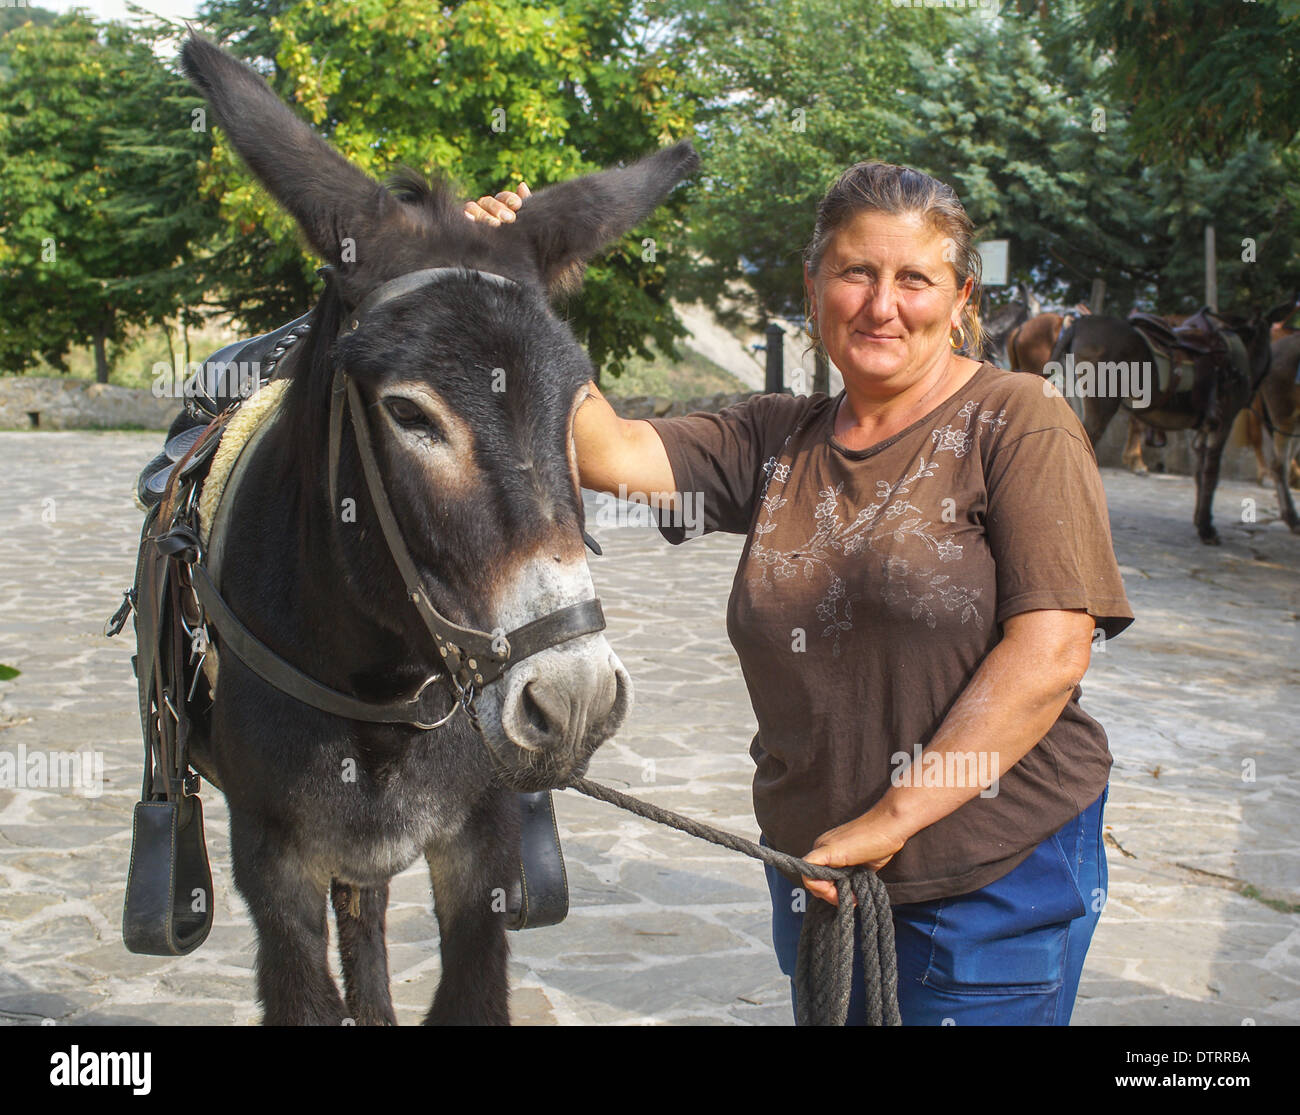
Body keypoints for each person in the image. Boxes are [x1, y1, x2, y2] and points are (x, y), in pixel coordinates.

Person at [466, 161, 1134, 1025]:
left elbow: (1050, 652)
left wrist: (892, 817)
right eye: (856, 272)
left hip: (992, 875)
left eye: (915, 278)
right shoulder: (776, 436)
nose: (881, 304)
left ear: (962, 295)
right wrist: (506, 283)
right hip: (818, 870)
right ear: (814, 286)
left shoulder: (1021, 419)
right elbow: (611, 450)